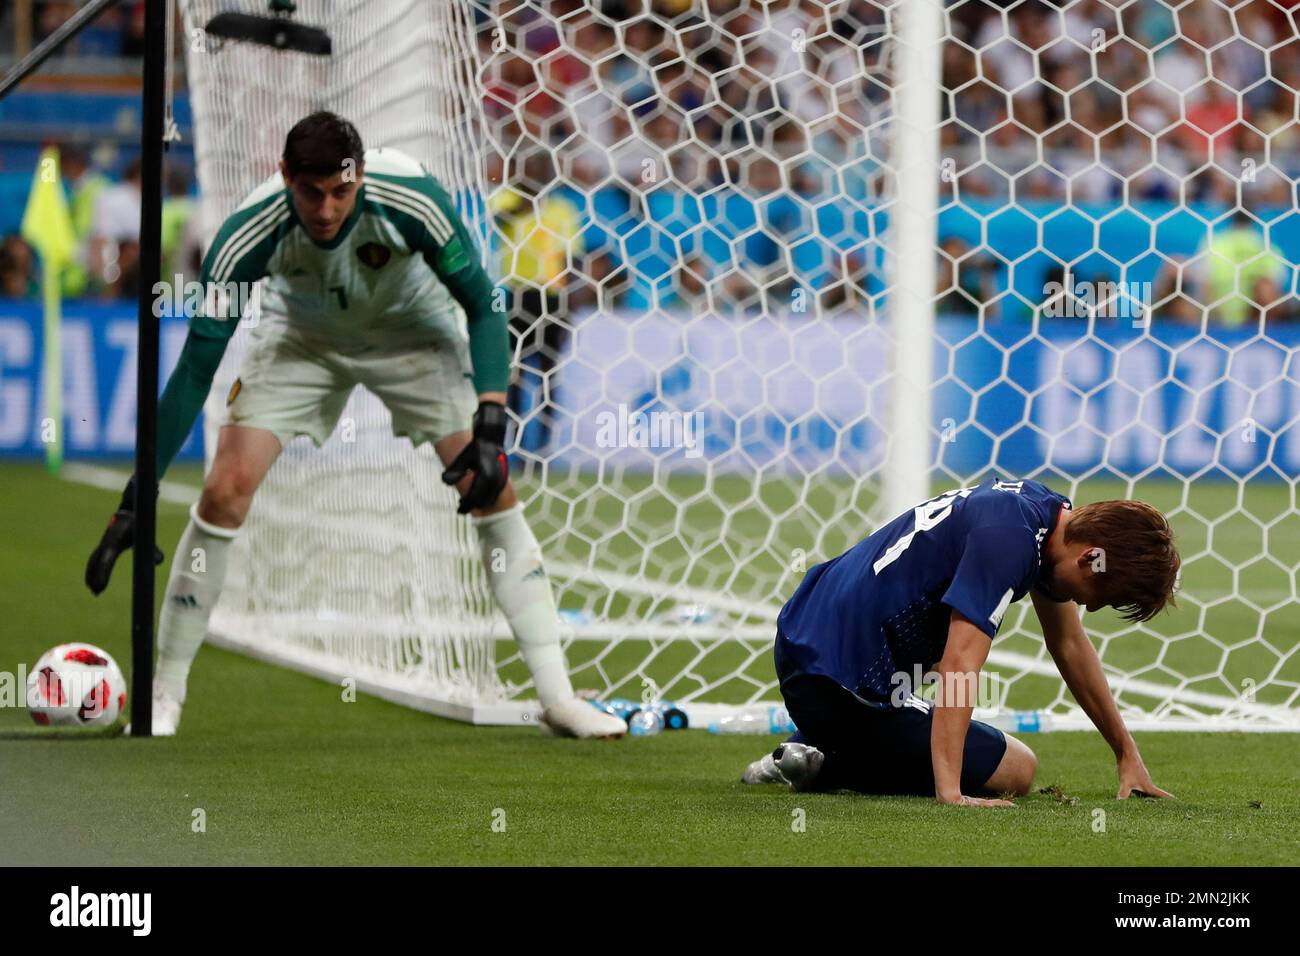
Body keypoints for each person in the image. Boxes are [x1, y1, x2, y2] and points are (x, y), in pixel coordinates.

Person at [84, 111, 625, 740]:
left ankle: (558, 699)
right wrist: (137, 493)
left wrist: (490, 420)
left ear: (360, 176)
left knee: (491, 489)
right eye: (310, 193)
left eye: (342, 192)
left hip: (413, 337)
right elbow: (194, 371)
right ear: (284, 176)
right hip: (300, 342)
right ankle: (164, 698)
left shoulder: (413, 199)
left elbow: (483, 303)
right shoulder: (243, 236)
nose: (326, 209)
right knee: (225, 488)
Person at [742, 478, 1179, 805]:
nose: (1095, 608)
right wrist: (950, 791)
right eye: (1104, 596)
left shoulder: (1044, 514)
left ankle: (816, 739)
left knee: (925, 665)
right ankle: (811, 761)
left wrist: (1126, 753)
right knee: (1017, 768)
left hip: (811, 636)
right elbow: (959, 667)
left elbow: (1068, 642)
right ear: (1090, 557)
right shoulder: (1009, 542)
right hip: (835, 683)